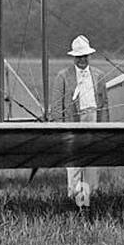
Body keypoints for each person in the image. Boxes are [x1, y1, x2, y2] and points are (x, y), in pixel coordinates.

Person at [49, 35, 110, 216]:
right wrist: (60, 129)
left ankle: (90, 199)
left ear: (89, 56)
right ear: (73, 58)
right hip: (73, 122)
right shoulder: (63, 76)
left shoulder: (99, 75)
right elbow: (56, 107)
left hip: (93, 119)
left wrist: (105, 129)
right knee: (74, 162)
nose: (82, 60)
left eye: (85, 56)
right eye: (79, 57)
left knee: (92, 159)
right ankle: (74, 199)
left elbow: (104, 104)